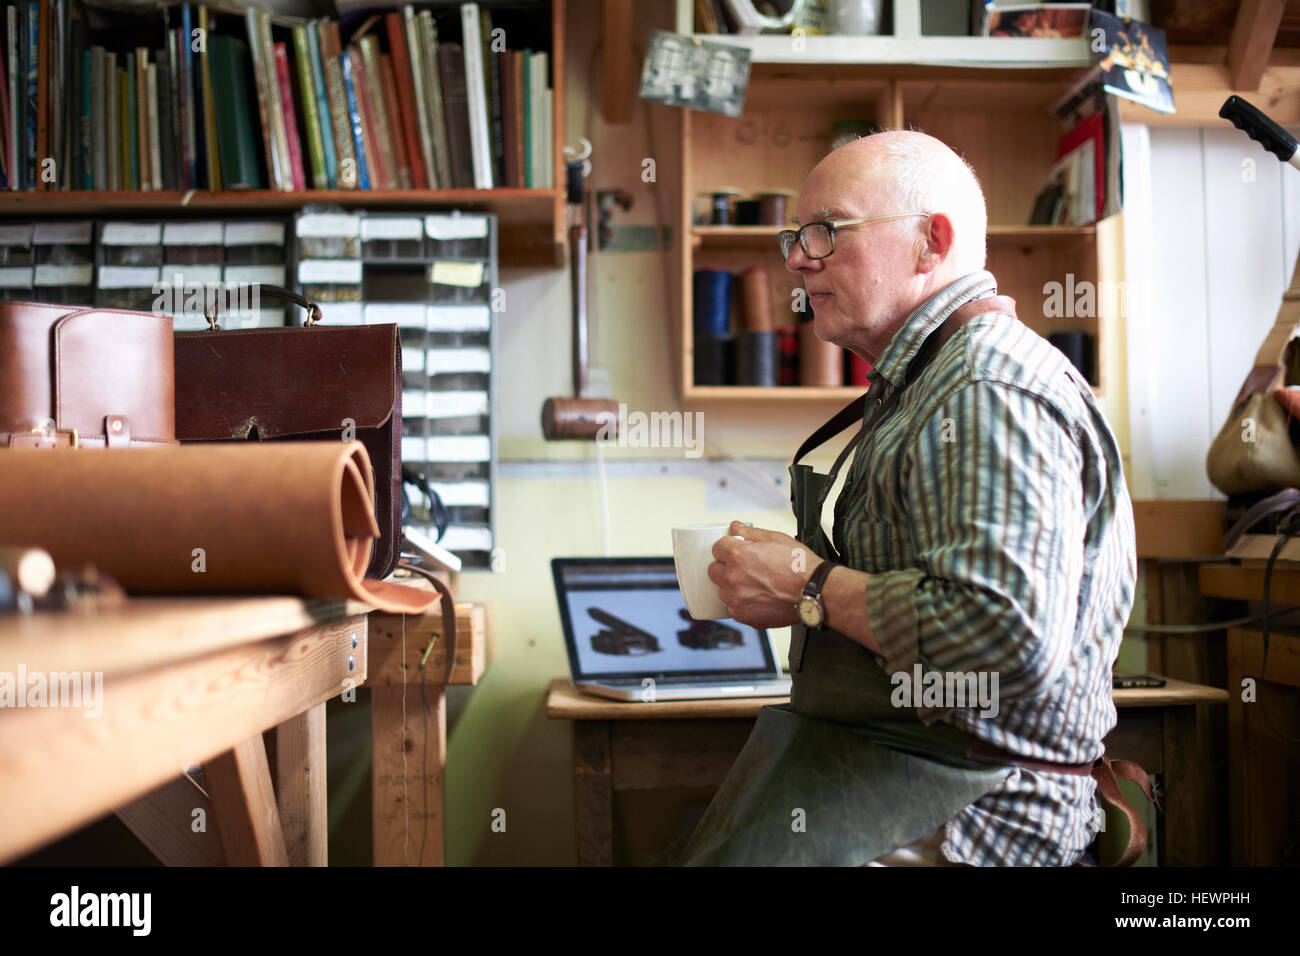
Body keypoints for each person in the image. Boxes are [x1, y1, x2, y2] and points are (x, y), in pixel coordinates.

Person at [677, 130, 1138, 867]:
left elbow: (1002, 634)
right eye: (795, 236)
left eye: (828, 230)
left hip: (978, 810)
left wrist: (807, 586)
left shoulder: (986, 386)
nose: (798, 257)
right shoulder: (925, 383)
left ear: (933, 242)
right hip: (905, 768)